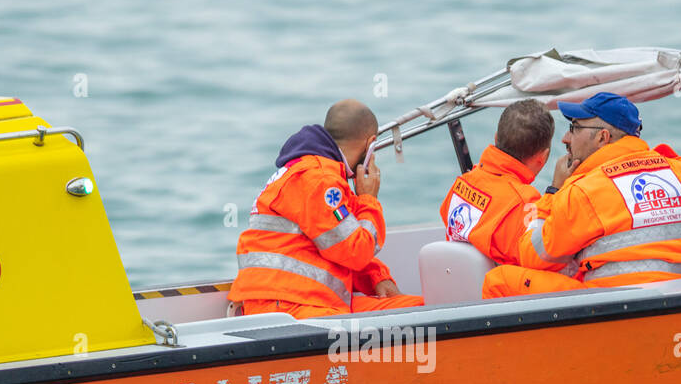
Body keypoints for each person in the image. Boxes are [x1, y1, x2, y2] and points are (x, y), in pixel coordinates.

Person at [482, 92, 681, 298]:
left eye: (574, 127)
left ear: (602, 137)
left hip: (611, 312)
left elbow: (533, 255)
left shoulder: (583, 191)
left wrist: (552, 194)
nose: (565, 138)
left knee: (498, 280)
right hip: (680, 302)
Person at [231, 99, 424, 318]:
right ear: (371, 144)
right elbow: (355, 252)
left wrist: (376, 277)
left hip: (294, 302)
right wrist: (369, 199)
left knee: (420, 309)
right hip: (289, 307)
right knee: (421, 316)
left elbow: (337, 243)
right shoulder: (321, 181)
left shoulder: (312, 172)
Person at [439, 100, 554, 265]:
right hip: (497, 289)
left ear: (496, 138)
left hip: (456, 281)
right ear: (542, 158)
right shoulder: (526, 201)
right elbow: (542, 257)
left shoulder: (463, 182)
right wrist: (554, 194)